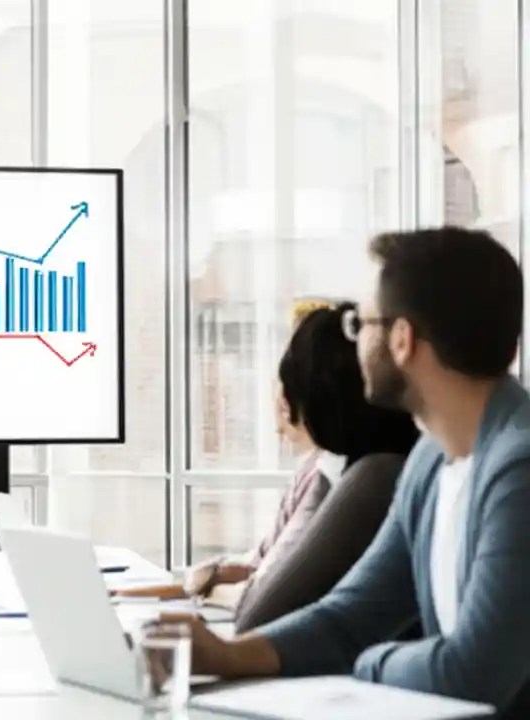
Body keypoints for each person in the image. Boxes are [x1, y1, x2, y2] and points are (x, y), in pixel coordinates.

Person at [173, 227, 530, 716]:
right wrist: (227, 656)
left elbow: (472, 673)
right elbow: (352, 613)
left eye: (360, 324)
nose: (355, 340)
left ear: (402, 339)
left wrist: (365, 664)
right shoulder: (430, 461)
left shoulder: (518, 469)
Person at [121, 301, 418, 617]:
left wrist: (212, 589)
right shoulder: (346, 469)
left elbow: (260, 606)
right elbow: (263, 564)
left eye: (363, 324)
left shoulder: (366, 477)